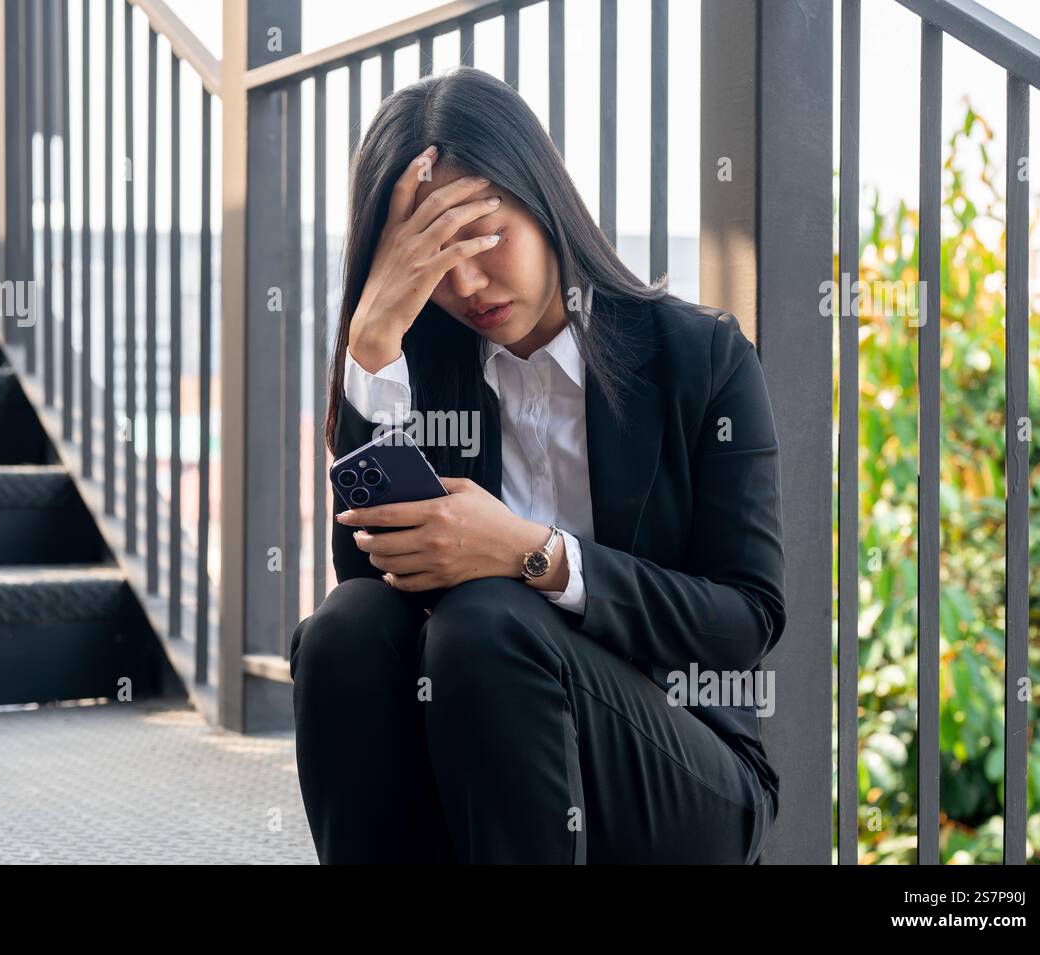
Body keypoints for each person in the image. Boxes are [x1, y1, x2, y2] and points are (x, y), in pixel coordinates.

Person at [289, 66, 785, 864]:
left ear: (542, 194)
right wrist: (372, 352)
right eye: (430, 257)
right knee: (342, 630)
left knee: (491, 620)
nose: (464, 283)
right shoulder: (422, 369)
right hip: (484, 755)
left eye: (483, 238)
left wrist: (541, 557)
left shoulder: (700, 358)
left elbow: (744, 622)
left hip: (681, 764)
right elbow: (367, 582)